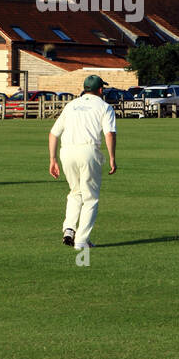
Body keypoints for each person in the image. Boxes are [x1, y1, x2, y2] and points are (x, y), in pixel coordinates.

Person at [47, 74, 117, 249]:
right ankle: (81, 240)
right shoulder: (105, 107)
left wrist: (52, 159)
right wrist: (112, 158)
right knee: (90, 198)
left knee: (75, 192)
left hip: (67, 151)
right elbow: (109, 133)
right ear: (100, 90)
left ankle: (69, 228)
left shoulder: (71, 105)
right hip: (88, 150)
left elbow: (53, 133)